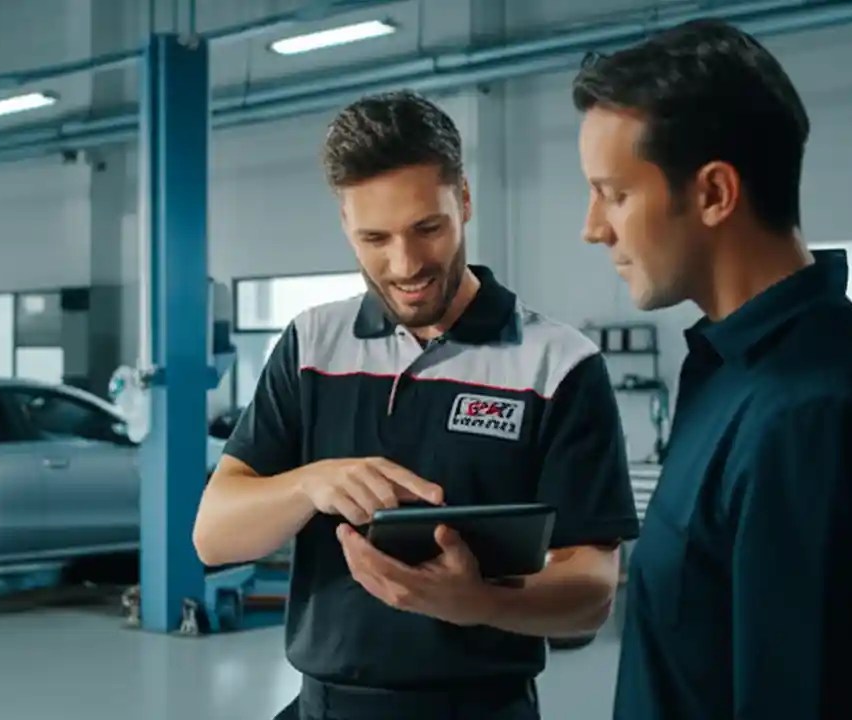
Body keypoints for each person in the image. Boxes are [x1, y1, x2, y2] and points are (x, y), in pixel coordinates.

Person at [194, 89, 640, 720]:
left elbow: (592, 591)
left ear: (464, 200)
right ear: (345, 224)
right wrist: (311, 483)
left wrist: (478, 603)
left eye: (427, 228)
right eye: (374, 238)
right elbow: (213, 537)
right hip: (326, 707)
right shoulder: (311, 344)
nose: (405, 265)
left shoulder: (558, 364)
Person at [571, 19, 852, 720]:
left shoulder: (820, 413)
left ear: (715, 193)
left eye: (615, 194)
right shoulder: (731, 374)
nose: (593, 227)